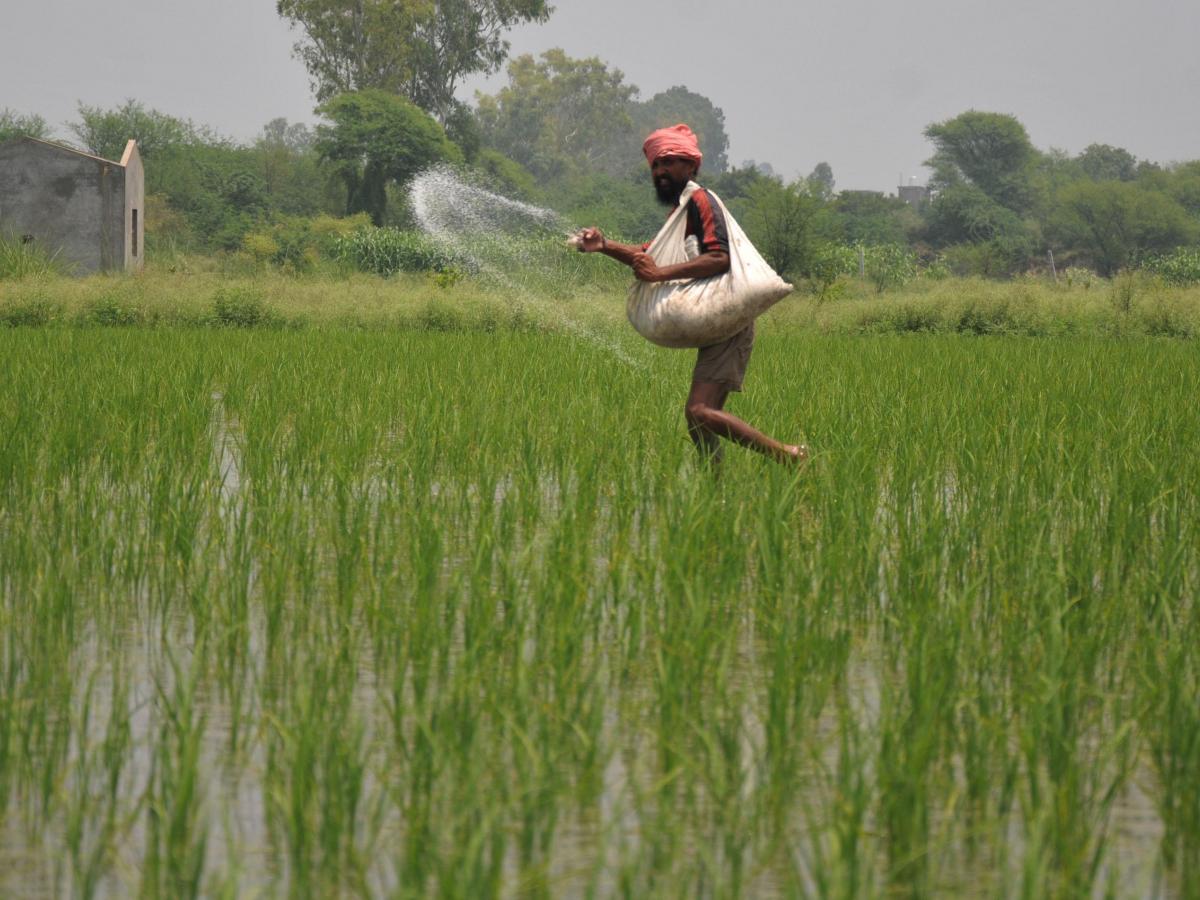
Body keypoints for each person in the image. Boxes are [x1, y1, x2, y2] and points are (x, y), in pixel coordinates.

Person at [576, 123, 807, 466]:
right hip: (718, 323)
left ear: (692, 166)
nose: (661, 171)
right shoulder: (682, 210)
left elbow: (719, 257)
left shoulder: (701, 200)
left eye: (669, 162)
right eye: (656, 165)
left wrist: (660, 274)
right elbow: (649, 254)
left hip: (729, 325)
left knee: (700, 411)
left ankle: (787, 456)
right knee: (698, 421)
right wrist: (605, 246)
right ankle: (714, 492)